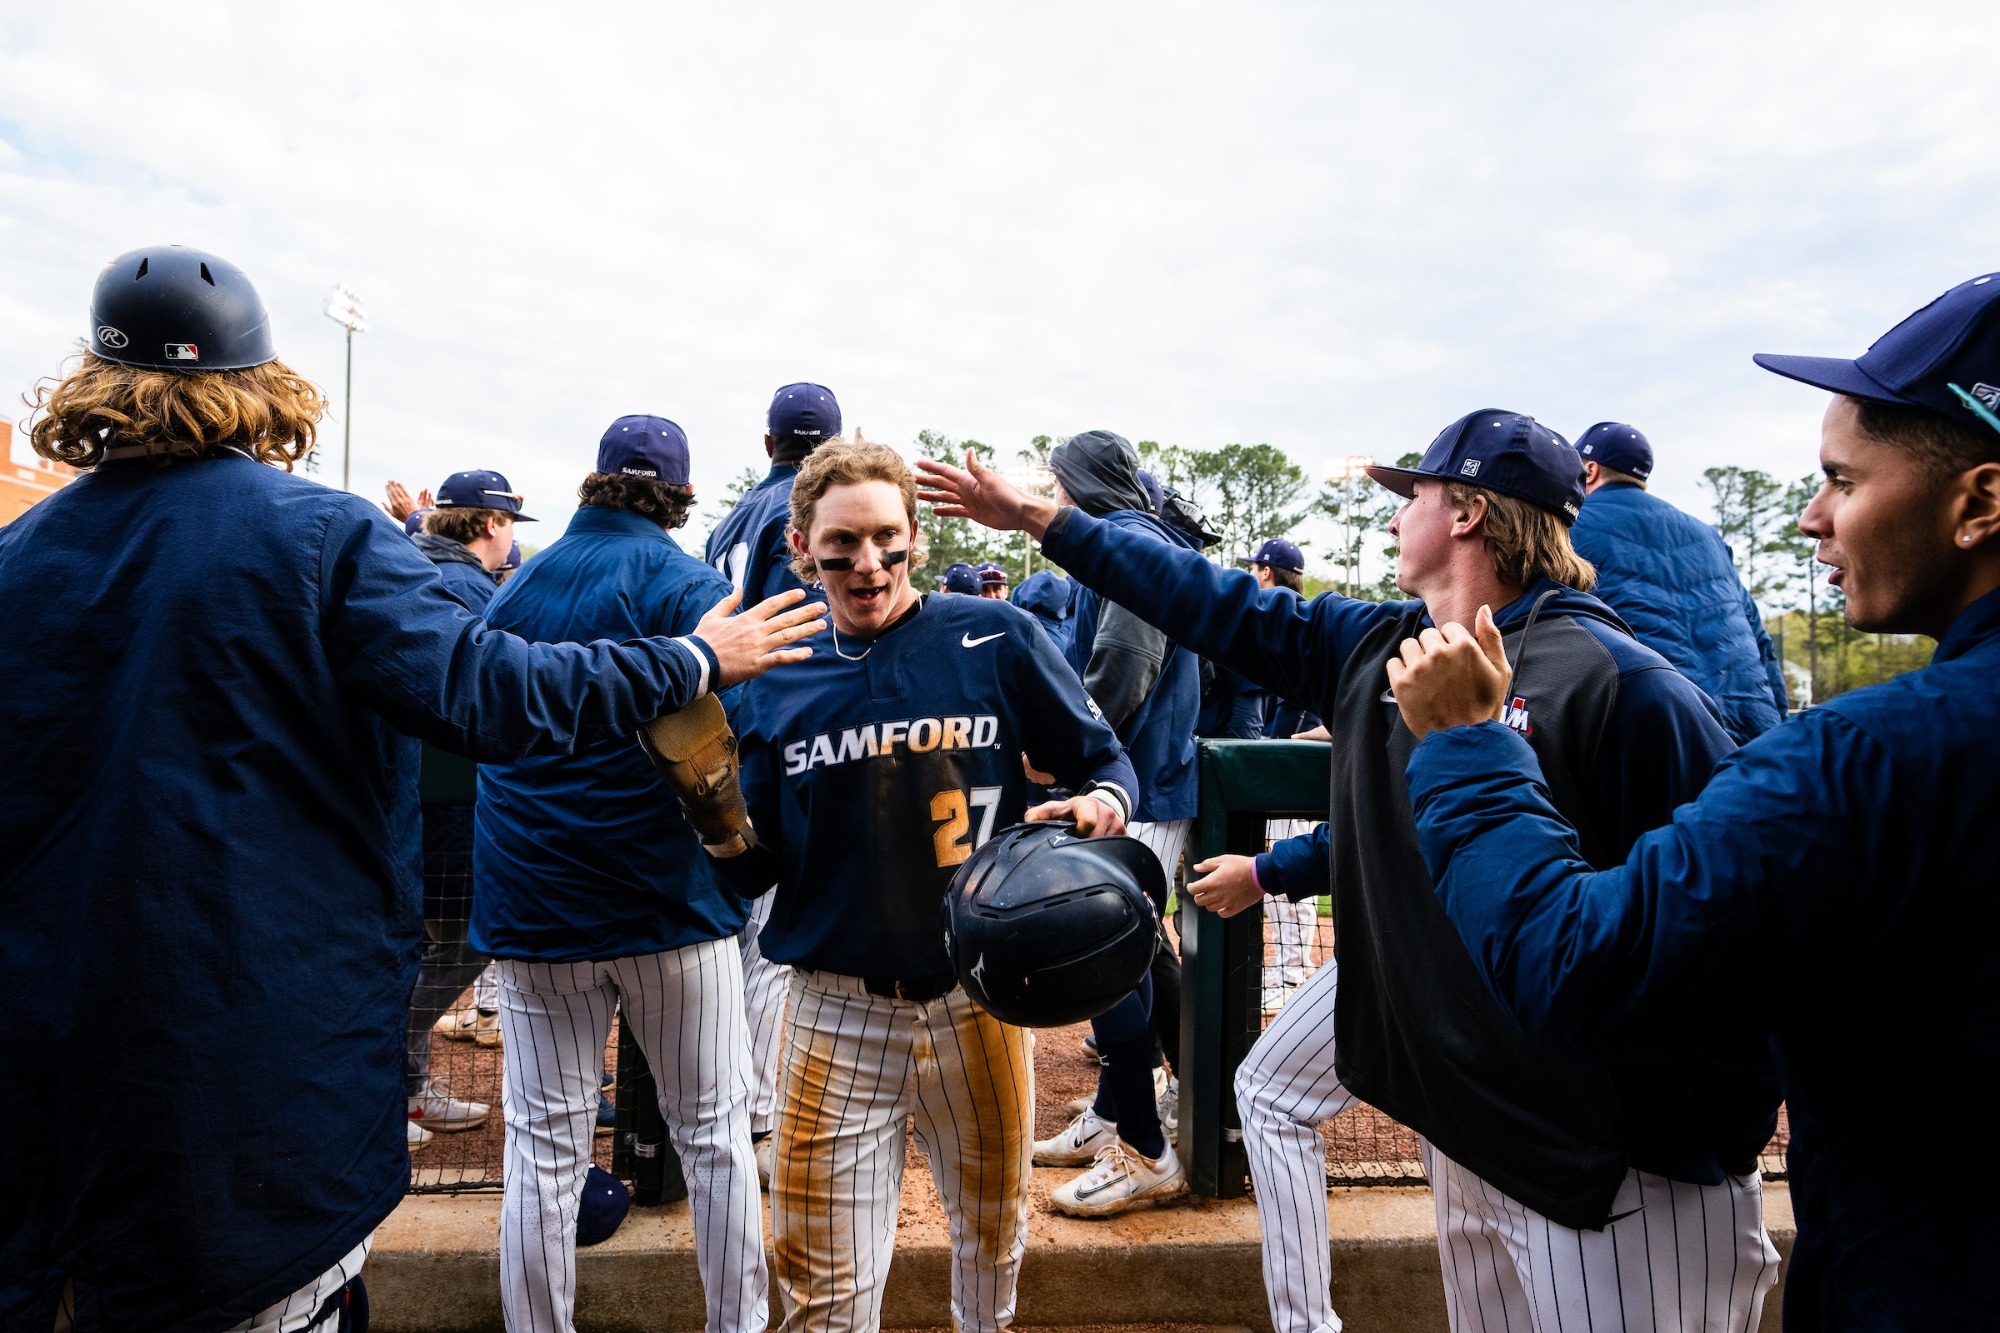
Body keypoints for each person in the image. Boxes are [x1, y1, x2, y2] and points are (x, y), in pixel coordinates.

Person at [0, 244, 826, 1333]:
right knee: (712, 1129)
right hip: (258, 1051)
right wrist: (690, 660)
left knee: (537, 1145)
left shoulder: (20, 552)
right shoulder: (318, 532)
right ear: (262, 384)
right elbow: (492, 697)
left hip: (53, 1062)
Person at [918, 412, 1784, 1333]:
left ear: (1467, 513)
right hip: (1466, 1139)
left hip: (1619, 1187)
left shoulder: (1627, 684)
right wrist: (1042, 520)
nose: (1393, 515)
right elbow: (1206, 598)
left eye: (1412, 494)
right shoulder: (1375, 646)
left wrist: (1682, 1148)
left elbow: (1733, 939)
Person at [1385, 277, 2000, 1330]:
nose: (1810, 515)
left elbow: (1575, 968)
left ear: (1978, 502)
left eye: (1841, 479)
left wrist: (1467, 746)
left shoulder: (1872, 758)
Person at [708, 440, 1138, 1333]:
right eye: (842, 545)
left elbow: (1104, 756)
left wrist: (1102, 799)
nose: (868, 565)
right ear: (800, 546)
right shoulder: (774, 671)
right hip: (833, 1011)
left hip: (978, 1000)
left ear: (917, 539)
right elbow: (753, 871)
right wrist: (707, 810)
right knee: (823, 1293)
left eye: (888, 541)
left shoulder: (996, 637)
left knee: (991, 1251)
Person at [473, 415, 772, 1333]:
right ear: (681, 497)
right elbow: (747, 738)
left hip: (534, 909)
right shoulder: (690, 585)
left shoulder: (514, 585)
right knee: (716, 1137)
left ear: (595, 481)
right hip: (666, 909)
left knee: (544, 1151)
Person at [1023, 430, 1202, 1217]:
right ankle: (1121, 1109)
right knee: (1133, 954)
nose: (1051, 495)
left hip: (1140, 784)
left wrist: (1070, 743)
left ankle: (1149, 1144)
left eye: (1056, 482)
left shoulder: (1126, 543)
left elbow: (1125, 663)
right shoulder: (1125, 538)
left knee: (1107, 952)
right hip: (1139, 776)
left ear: (1081, 482)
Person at [704, 381, 842, 1189]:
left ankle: (732, 1100)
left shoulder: (728, 516)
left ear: (766, 444)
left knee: (736, 930)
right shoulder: (799, 512)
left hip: (718, 723)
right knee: (765, 943)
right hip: (775, 726)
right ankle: (753, 1113)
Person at [401, 469, 538, 1143]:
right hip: (448, 796)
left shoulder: (408, 560)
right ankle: (388, 1090)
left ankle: (407, 1087)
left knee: (419, 943)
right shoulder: (465, 587)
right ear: (491, 524)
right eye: (510, 522)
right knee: (454, 944)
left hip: (404, 796)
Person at [1568, 421, 1789, 740]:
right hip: (1750, 729)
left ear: (1590, 470)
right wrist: (1778, 727)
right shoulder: (1708, 536)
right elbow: (1760, 641)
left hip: (1660, 731)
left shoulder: (1572, 526)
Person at [1234, 537, 1325, 1013]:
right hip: (1303, 757)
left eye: (1255, 568)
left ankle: (1290, 974)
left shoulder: (1279, 608)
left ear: (1266, 572)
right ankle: (1291, 969)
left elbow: (1293, 696)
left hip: (1294, 760)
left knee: (1288, 871)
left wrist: (1276, 743)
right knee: (1289, 867)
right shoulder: (1301, 608)